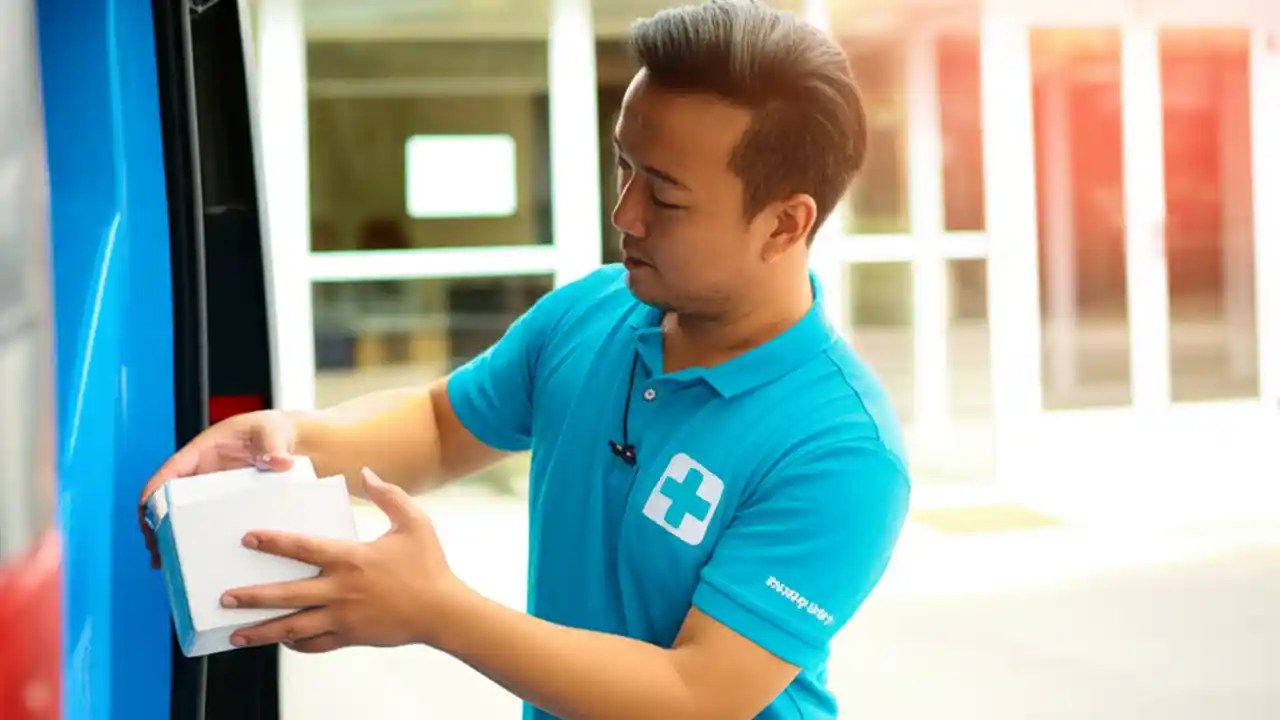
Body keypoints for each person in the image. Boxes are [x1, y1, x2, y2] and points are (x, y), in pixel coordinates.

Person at [138, 1, 910, 717]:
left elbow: (695, 697)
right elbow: (442, 427)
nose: (624, 214)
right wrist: (289, 440)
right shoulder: (596, 311)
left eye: (666, 198)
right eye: (624, 167)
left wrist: (438, 611)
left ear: (784, 224)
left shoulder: (841, 450)